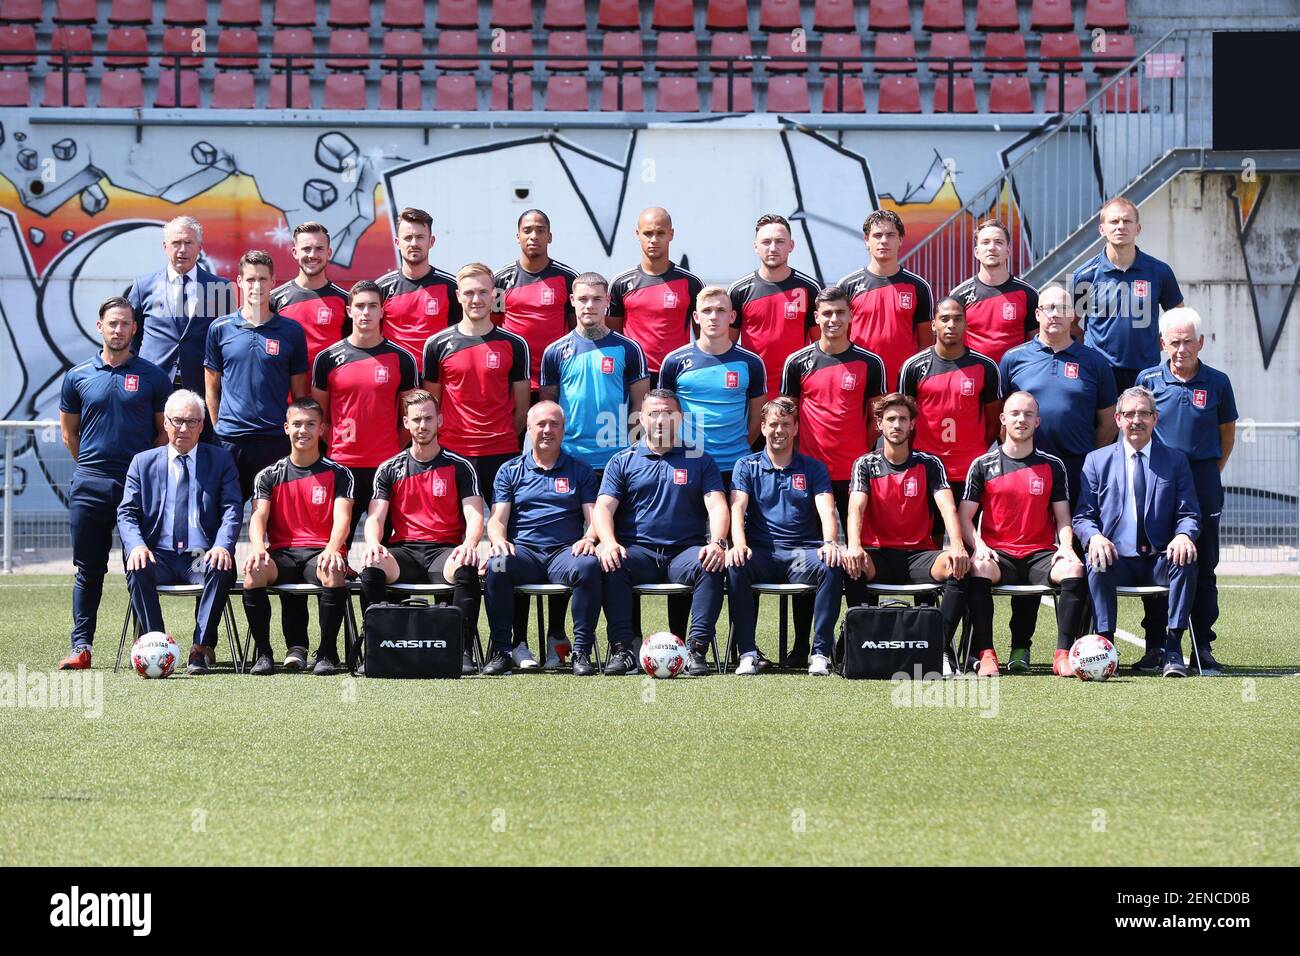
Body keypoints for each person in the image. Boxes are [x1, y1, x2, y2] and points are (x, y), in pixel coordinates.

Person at [56, 298, 170, 669]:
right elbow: (69, 433)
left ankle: (147, 644)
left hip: (137, 488)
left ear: (134, 328)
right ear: (99, 327)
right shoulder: (77, 376)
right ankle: (81, 647)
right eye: (112, 324)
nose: (118, 330)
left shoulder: (153, 376)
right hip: (90, 485)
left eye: (125, 324)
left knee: (140, 564)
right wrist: (91, 469)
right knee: (89, 569)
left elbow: (163, 433)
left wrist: (139, 471)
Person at [593, 389, 729, 677]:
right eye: (653, 414)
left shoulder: (701, 459)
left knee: (712, 563)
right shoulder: (622, 460)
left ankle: (695, 649)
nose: (660, 420)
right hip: (638, 552)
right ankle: (624, 649)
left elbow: (717, 506)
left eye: (668, 413)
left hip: (684, 552)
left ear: (679, 418)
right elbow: (603, 508)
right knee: (610, 562)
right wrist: (608, 543)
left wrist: (717, 543)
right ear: (641, 418)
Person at [959, 392, 1090, 677]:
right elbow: (964, 517)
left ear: (1038, 421)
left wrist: (1066, 546)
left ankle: (1063, 655)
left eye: (1028, 414)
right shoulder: (982, 465)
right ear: (1003, 419)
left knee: (1075, 568)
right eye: (1015, 414)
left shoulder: (1053, 466)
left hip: (1039, 554)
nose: (1022, 419)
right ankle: (986, 653)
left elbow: (1063, 517)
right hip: (998, 554)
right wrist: (979, 544)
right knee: (977, 566)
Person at [1073, 387, 1201, 677]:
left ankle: (1173, 648)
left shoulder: (1175, 460)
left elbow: (1189, 513)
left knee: (1187, 558)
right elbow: (1083, 515)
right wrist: (1094, 537)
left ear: (1155, 418)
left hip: (1158, 558)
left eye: (1144, 413)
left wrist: (1183, 536)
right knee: (1096, 559)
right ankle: (1105, 647)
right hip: (1118, 559)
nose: (1136, 420)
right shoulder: (1097, 461)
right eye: (1129, 414)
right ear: (1117, 419)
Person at [1137, 308, 1236, 675]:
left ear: (1201, 342)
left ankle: (1202, 647)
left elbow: (1227, 433)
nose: (1181, 349)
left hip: (1204, 479)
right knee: (1159, 561)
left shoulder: (1218, 382)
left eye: (1188, 341)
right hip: (1160, 482)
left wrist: (1210, 471)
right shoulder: (1147, 379)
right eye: (1174, 342)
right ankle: (1155, 646)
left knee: (1204, 564)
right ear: (1163, 343)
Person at [360, 391, 485, 676]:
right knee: (371, 567)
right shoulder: (389, 468)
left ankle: (460, 649)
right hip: (404, 551)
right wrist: (371, 543)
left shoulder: (460, 466)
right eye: (416, 419)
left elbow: (475, 514)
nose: (423, 425)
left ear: (440, 420)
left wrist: (469, 543)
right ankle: (378, 646)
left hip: (443, 551)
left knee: (466, 566)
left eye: (429, 418)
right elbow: (375, 517)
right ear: (406, 422)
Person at [117, 390, 242, 675]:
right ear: (165, 423)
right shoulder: (143, 462)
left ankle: (200, 648)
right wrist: (136, 545)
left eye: (192, 421)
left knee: (222, 567)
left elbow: (232, 508)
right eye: (177, 421)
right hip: (158, 554)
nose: (183, 428)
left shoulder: (220, 460)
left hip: (200, 555)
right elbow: (126, 512)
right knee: (137, 566)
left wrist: (222, 546)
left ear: (202, 425)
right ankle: (157, 647)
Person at [843, 393, 969, 668]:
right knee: (852, 564)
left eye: (903, 419)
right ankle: (863, 644)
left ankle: (939, 646)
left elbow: (947, 507)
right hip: (878, 555)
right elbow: (856, 508)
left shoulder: (929, 463)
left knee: (958, 566)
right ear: (879, 424)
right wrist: (853, 545)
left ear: (912, 424)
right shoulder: (865, 464)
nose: (896, 425)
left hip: (918, 555)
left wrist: (958, 546)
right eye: (890, 419)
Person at [483, 401, 603, 676]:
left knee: (587, 564)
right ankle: (503, 650)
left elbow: (594, 517)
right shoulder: (509, 471)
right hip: (525, 553)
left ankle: (581, 651)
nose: (547, 430)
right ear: (528, 428)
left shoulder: (580, 470)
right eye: (541, 424)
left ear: (564, 429)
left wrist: (590, 538)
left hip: (563, 554)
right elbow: (498, 519)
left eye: (554, 424)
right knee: (497, 564)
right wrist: (499, 540)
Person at [727, 398, 843, 676]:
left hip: (801, 556)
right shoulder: (746, 465)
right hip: (763, 555)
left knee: (832, 564)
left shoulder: (813, 468)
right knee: (735, 564)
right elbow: (737, 507)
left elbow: (827, 509)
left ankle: (820, 653)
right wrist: (739, 544)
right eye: (774, 424)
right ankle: (747, 653)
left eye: (786, 425)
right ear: (763, 427)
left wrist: (830, 543)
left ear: (795, 429)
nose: (779, 430)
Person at [241, 398, 355, 676]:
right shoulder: (269, 475)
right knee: (254, 571)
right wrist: (258, 548)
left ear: (322, 429)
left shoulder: (340, 473)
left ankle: (327, 651)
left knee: (332, 570)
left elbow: (343, 518)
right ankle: (264, 653)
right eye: (297, 424)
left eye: (310, 424)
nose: (302, 431)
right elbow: (258, 516)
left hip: (320, 551)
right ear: (286, 428)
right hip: (283, 553)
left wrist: (332, 548)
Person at [311, 280, 419, 543]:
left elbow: (411, 419)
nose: (366, 312)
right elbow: (319, 418)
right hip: (341, 466)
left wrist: (392, 447)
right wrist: (339, 443)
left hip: (387, 467)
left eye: (373, 306)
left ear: (383, 311)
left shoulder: (403, 359)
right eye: (359, 306)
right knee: (336, 548)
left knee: (382, 552)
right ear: (349, 311)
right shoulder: (327, 359)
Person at [999, 284, 1118, 511]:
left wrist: (1088, 455)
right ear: (1037, 314)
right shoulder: (1013, 359)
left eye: (1062, 308)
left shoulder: (1095, 362)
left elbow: (1109, 421)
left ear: (1072, 315)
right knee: (1028, 538)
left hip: (1077, 467)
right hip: (1027, 465)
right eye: (1049, 308)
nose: (1055, 314)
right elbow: (999, 416)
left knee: (1076, 536)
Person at [204, 249, 310, 502]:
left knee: (277, 519)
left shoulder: (291, 331)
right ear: (239, 281)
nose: (257, 286)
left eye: (263, 279)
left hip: (274, 440)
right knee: (224, 516)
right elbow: (211, 388)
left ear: (273, 282)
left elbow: (299, 394)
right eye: (251, 279)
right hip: (230, 442)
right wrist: (220, 427)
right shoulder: (219, 329)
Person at [422, 263, 530, 506]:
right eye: (469, 293)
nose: (476, 299)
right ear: (458, 296)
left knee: (506, 533)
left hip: (502, 452)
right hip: (452, 451)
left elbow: (522, 409)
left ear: (494, 295)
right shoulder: (436, 344)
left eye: (483, 292)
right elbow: (432, 405)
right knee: (450, 534)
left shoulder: (514, 344)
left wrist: (499, 437)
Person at [779, 286, 887, 524]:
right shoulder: (796, 362)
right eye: (827, 314)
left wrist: (859, 449)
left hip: (854, 471)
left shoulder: (871, 362)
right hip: (810, 469)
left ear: (851, 315)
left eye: (840, 312)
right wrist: (801, 453)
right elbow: (788, 419)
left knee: (858, 546)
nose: (833, 319)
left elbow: (877, 420)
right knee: (813, 547)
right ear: (816, 318)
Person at [539, 272, 650, 471]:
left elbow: (640, 407)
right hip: (569, 457)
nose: (589, 305)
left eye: (597, 299)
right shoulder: (554, 352)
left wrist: (633, 454)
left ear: (607, 300)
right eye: (583, 299)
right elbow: (548, 408)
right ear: (572, 301)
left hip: (616, 458)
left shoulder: (630, 349)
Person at [1072, 196, 1183, 392]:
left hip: (1146, 371)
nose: (1120, 226)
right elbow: (1073, 323)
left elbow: (1179, 318)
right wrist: (1090, 351)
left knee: (1142, 422)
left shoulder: (1159, 272)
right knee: (1103, 424)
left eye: (1127, 221)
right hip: (1099, 371)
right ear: (1102, 229)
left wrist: (1156, 344)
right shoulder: (1086, 275)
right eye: (1114, 221)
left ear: (1137, 228)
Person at [659, 286, 767, 485]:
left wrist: (737, 447)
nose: (713, 317)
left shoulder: (751, 362)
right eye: (707, 311)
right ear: (696, 317)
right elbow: (663, 414)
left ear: (733, 316)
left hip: (736, 465)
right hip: (688, 463)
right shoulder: (674, 361)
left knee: (733, 517)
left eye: (721, 310)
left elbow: (758, 417)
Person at [125, 215, 235, 401]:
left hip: (202, 389)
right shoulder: (143, 287)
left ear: (199, 248)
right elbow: (131, 335)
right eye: (176, 243)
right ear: (165, 247)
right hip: (152, 386)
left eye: (188, 242)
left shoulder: (221, 289)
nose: (182, 249)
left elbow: (229, 340)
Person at [898, 296, 1001, 495]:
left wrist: (975, 450)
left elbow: (994, 423)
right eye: (944, 319)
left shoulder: (986, 367)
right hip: (926, 466)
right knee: (929, 528)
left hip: (970, 469)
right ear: (934, 324)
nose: (951, 325)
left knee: (968, 527)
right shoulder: (912, 367)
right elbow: (904, 421)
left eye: (957, 319)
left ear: (966, 324)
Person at [837, 209, 935, 390]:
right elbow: (840, 338)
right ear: (866, 240)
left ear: (900, 239)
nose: (883, 241)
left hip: (903, 382)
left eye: (890, 235)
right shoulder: (846, 286)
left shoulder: (919, 287)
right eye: (877, 235)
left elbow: (926, 344)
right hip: (859, 381)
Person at [728, 213, 821, 399]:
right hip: (753, 389)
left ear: (791, 246)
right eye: (766, 242)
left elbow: (821, 346)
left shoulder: (809, 289)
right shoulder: (739, 291)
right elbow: (728, 347)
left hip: (796, 390)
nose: (773, 248)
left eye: (779, 241)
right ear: (756, 247)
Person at [608, 207, 703, 386]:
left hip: (678, 374)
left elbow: (703, 338)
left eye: (660, 233)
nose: (654, 240)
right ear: (637, 234)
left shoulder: (691, 283)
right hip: (633, 376)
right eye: (648, 233)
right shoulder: (621, 283)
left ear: (671, 234)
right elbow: (613, 338)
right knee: (635, 416)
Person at [493, 209, 578, 394]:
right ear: (518, 236)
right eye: (527, 230)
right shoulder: (499, 281)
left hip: (557, 376)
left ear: (550, 236)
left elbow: (576, 329)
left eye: (540, 230)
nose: (534, 236)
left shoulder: (568, 278)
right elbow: (494, 325)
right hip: (514, 377)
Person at [377, 207, 462, 375]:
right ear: (397, 243)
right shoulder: (381, 288)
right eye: (408, 238)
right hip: (395, 378)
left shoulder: (451, 287)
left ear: (431, 241)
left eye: (420, 237)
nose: (414, 243)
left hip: (437, 378)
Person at [950, 219, 1038, 367]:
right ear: (977, 252)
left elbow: (1037, 343)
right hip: (973, 379)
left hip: (1014, 377)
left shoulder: (1028, 294)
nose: (992, 247)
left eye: (998, 242)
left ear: (1008, 251)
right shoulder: (959, 296)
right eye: (985, 242)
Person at [269, 221, 350, 373]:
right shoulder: (273, 300)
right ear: (295, 252)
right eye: (306, 249)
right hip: (286, 395)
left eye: (319, 249)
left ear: (329, 253)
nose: (312, 255)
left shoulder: (346, 301)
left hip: (329, 394)